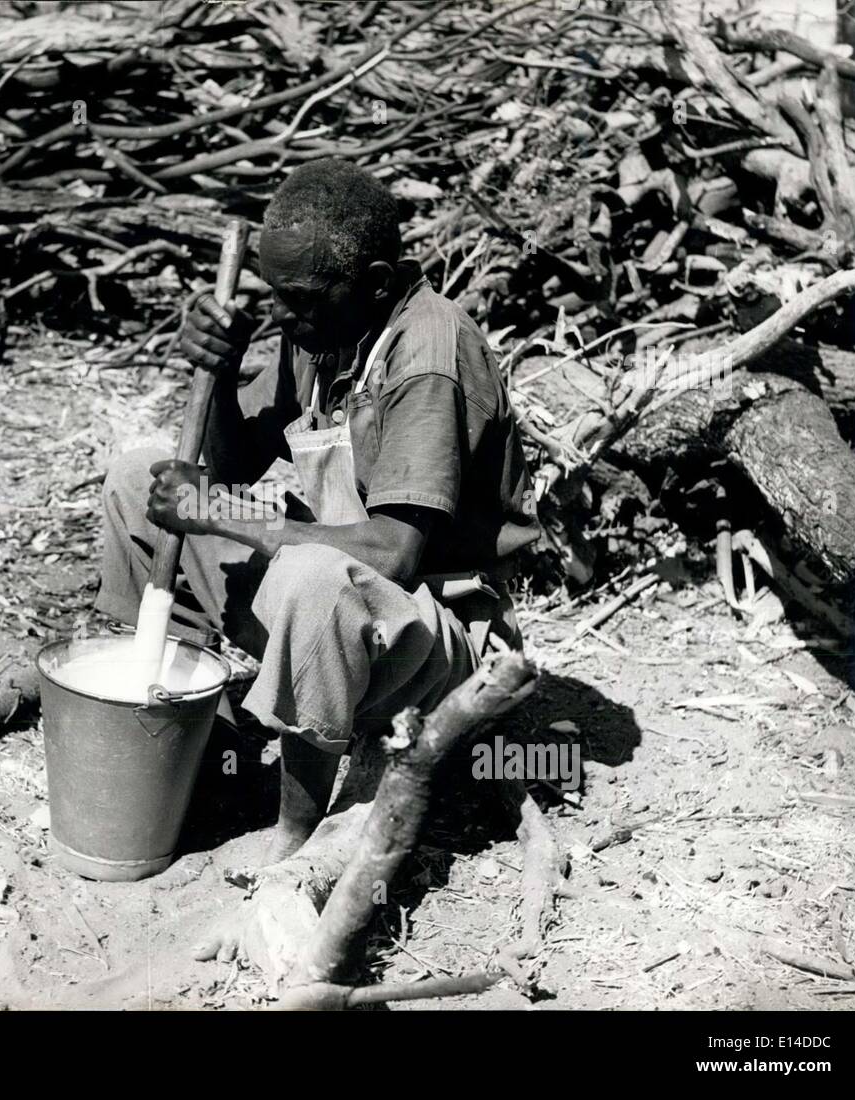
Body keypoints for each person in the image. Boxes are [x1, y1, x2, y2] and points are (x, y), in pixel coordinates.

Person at [94, 157, 540, 963]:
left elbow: (392, 554)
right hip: (341, 618)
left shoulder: (426, 353)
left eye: (297, 301)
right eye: (274, 297)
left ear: (376, 282)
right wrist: (222, 372)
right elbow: (219, 470)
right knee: (138, 482)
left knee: (309, 577)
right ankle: (168, 722)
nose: (282, 316)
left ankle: (294, 833)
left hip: (435, 645)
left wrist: (221, 513)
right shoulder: (324, 329)